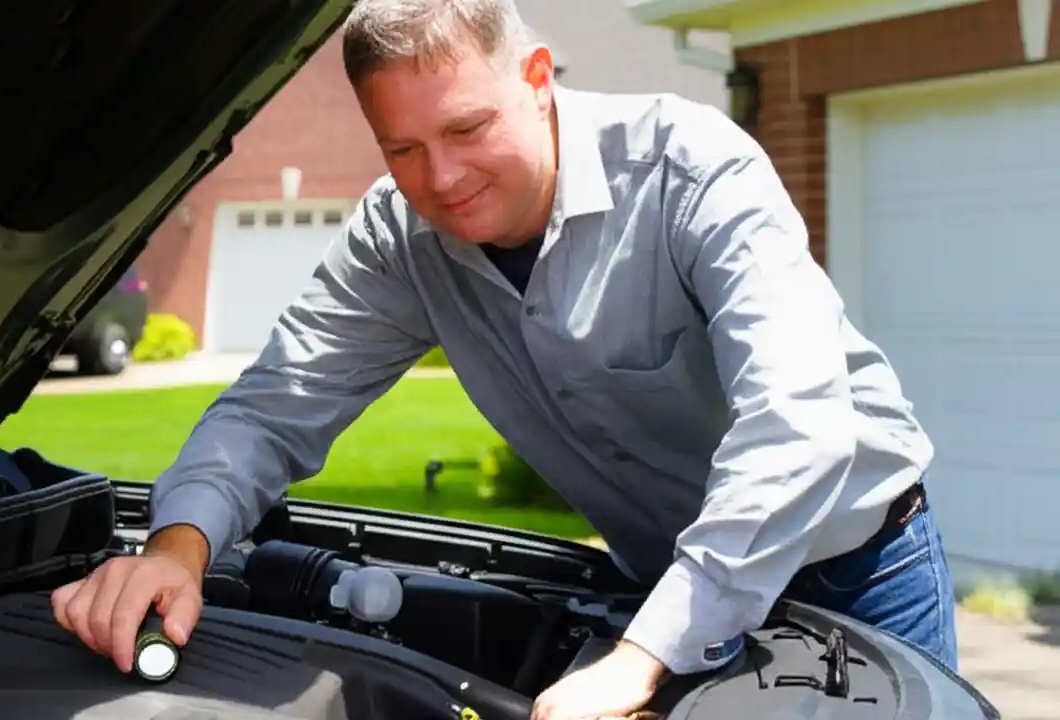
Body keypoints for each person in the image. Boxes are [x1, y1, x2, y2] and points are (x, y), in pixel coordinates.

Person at [50, 0, 959, 716]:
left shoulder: (692, 170)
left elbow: (799, 424)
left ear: (535, 78)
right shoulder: (400, 238)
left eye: (466, 129)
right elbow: (273, 405)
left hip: (856, 568)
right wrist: (179, 546)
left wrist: (645, 655)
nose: (440, 179)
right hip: (662, 581)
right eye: (401, 148)